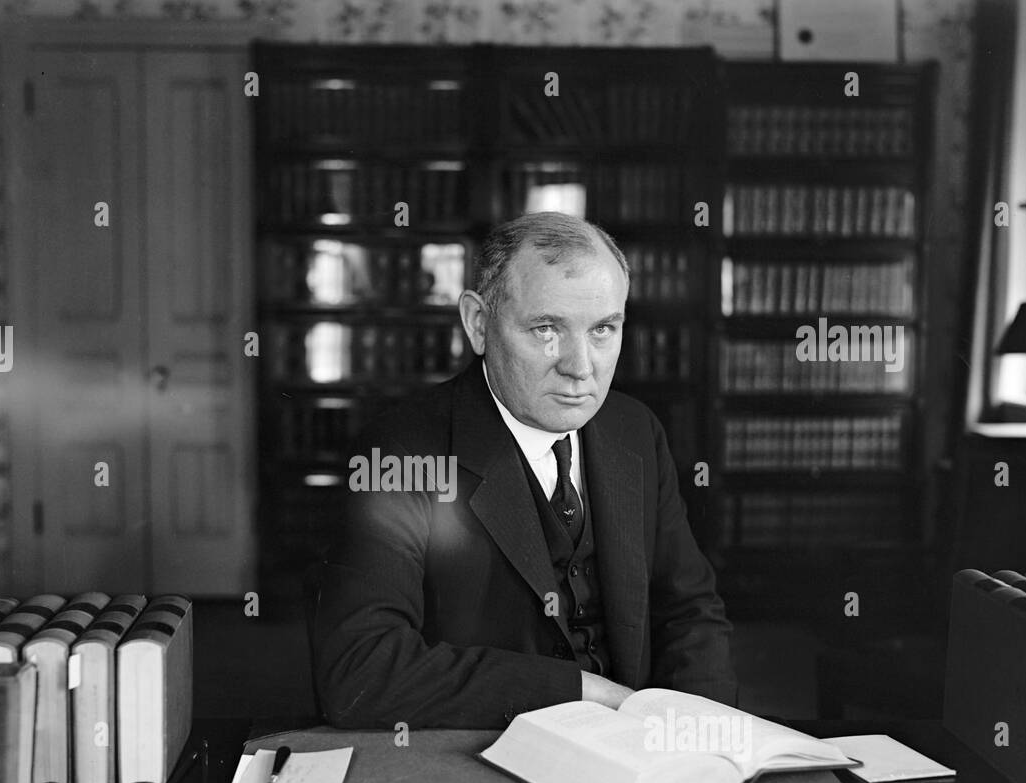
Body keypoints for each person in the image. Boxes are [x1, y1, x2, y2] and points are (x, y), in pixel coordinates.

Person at [310, 212, 735, 728]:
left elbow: (691, 614)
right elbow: (361, 669)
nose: (580, 366)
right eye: (546, 329)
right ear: (478, 324)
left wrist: (700, 740)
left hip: (632, 763)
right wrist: (580, 692)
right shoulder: (402, 453)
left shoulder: (635, 431)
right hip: (478, 760)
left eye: (603, 329)